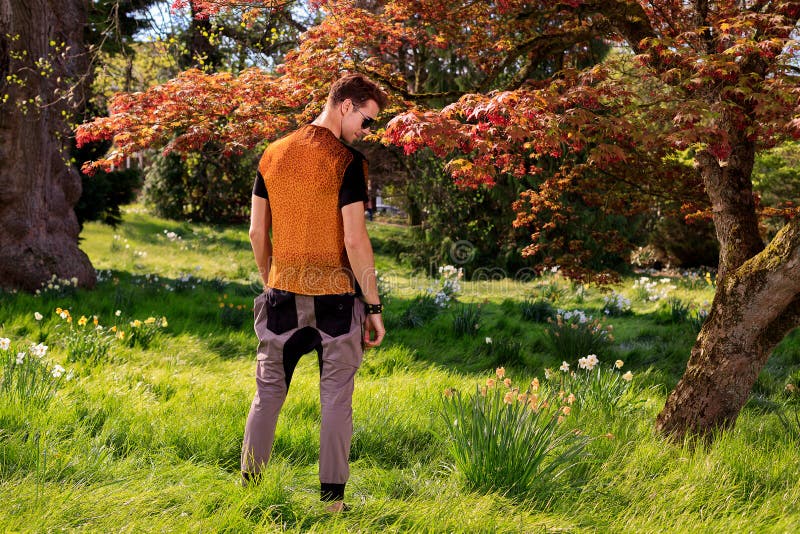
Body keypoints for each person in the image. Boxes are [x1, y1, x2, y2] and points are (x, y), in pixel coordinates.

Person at [241, 73, 388, 513]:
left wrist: (272, 278)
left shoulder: (273, 153)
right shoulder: (348, 162)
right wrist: (374, 305)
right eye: (366, 120)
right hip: (337, 301)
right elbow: (355, 241)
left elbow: (256, 233)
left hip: (280, 295)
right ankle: (332, 505)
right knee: (336, 400)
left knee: (267, 394)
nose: (366, 131)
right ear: (345, 105)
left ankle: (250, 492)